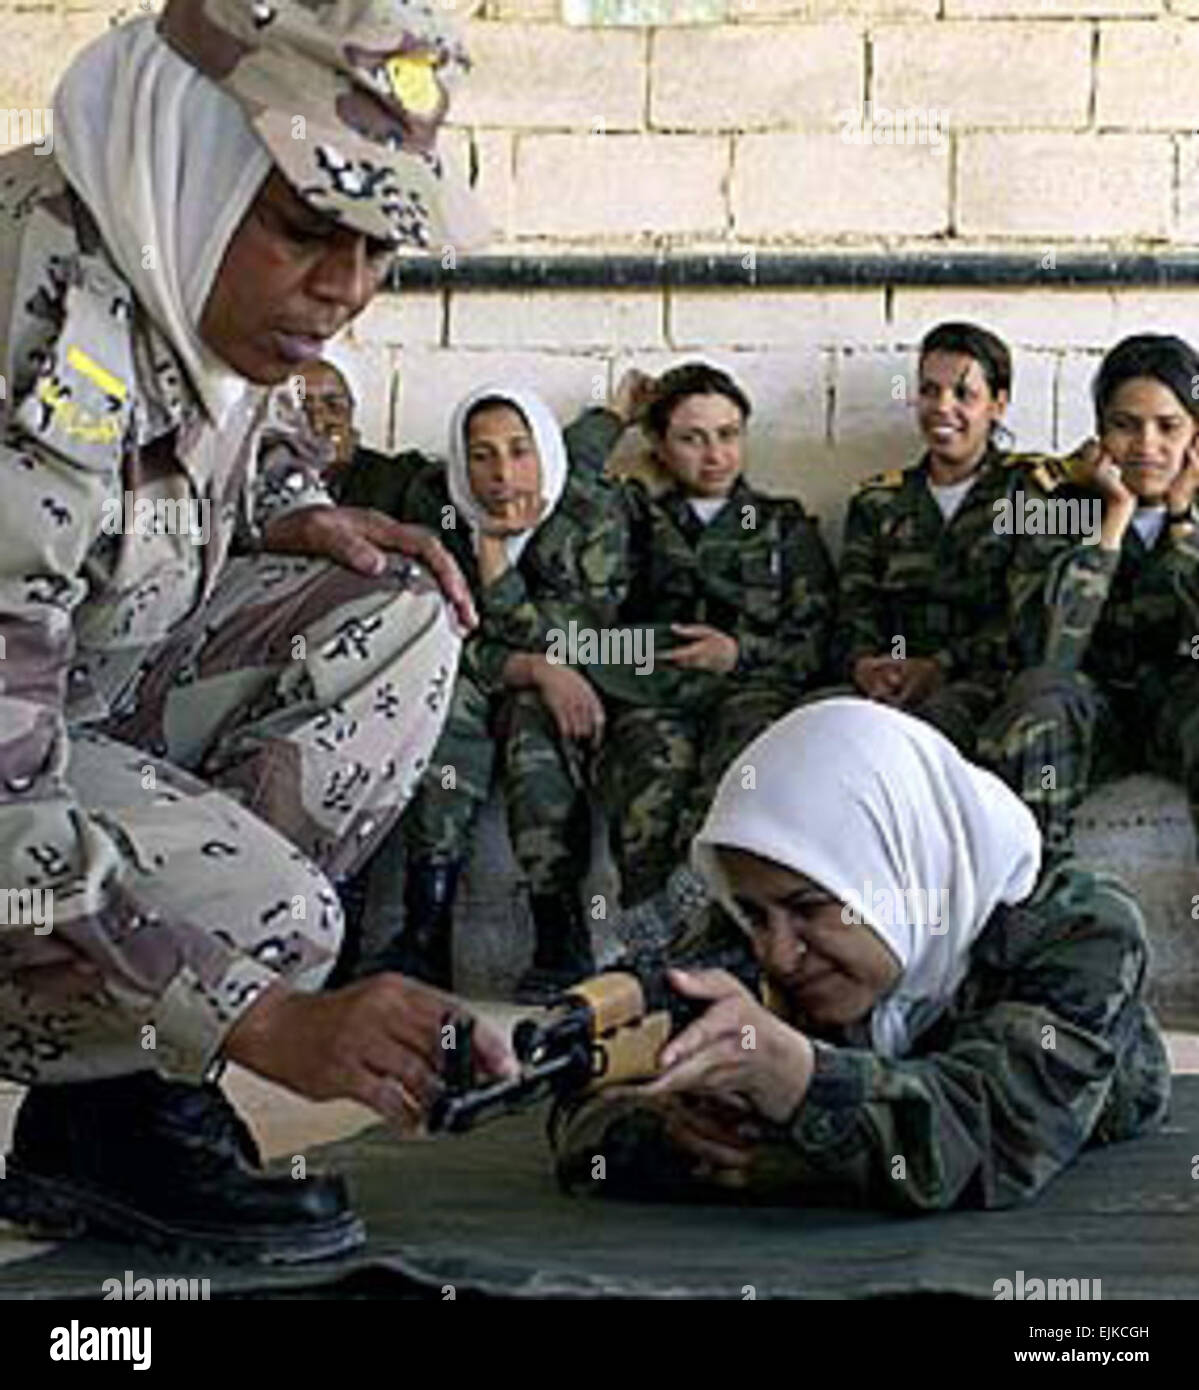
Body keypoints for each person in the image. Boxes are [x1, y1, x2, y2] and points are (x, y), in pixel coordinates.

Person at [0, 0, 517, 1264]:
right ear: (195, 153)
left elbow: (231, 419)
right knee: (273, 917)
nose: (342, 294)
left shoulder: (166, 243)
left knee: (393, 618)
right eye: (306, 234)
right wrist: (265, 1016)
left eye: (378, 248)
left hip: (61, 701)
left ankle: (115, 1105)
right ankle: (137, 1076)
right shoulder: (38, 348)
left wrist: (297, 516)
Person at [553, 699, 1170, 1210]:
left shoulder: (1080, 932)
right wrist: (666, 1125)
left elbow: (994, 1137)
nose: (779, 954)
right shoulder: (750, 918)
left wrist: (797, 1078)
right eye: (756, 916)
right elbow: (585, 1099)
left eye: (813, 909)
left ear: (894, 869)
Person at [361, 383, 633, 1003]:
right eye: (481, 455)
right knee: (446, 706)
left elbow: (575, 644)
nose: (501, 474)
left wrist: (499, 576)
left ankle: (559, 939)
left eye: (519, 451)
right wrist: (529, 666)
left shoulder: (591, 512)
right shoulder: (441, 510)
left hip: (578, 683)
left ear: (546, 452)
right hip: (484, 675)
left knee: (539, 728)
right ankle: (423, 931)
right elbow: (439, 632)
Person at [833, 321, 1086, 846]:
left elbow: (1028, 620)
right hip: (887, 684)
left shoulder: (1033, 494)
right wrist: (865, 666)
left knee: (929, 736)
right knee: (817, 740)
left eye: (963, 393)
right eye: (928, 390)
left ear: (998, 403)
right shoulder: (878, 502)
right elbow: (852, 609)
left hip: (982, 682)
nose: (941, 407)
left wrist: (939, 668)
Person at [596, 361, 836, 912]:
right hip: (657, 695)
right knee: (649, 771)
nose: (715, 455)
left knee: (736, 780)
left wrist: (739, 655)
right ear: (657, 442)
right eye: (691, 438)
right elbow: (597, 618)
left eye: (728, 435)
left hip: (752, 693)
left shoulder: (782, 526)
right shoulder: (633, 521)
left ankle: (709, 923)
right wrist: (612, 419)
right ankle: (647, 932)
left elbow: (820, 642)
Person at [984, 334, 1199, 851]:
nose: (1147, 445)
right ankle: (1031, 904)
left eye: (1168, 427)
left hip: (1177, 708)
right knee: (1040, 698)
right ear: (1100, 432)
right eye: (1126, 426)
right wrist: (1113, 521)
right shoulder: (1059, 505)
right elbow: (1051, 651)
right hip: (1091, 708)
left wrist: (1181, 525)